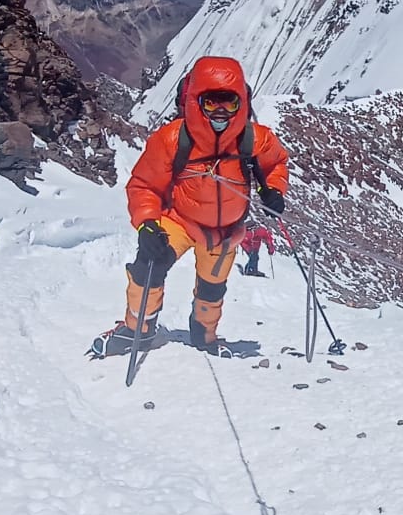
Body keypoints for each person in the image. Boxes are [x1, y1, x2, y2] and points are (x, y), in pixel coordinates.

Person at [90, 55, 290, 358]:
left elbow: (276, 164)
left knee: (213, 288)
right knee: (148, 265)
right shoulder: (171, 140)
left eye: (229, 103)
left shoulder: (255, 140)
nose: (221, 111)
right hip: (181, 220)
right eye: (211, 102)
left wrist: (273, 190)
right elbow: (144, 185)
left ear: (242, 103)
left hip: (224, 232)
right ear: (196, 102)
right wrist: (147, 224)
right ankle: (138, 331)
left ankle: (204, 336)